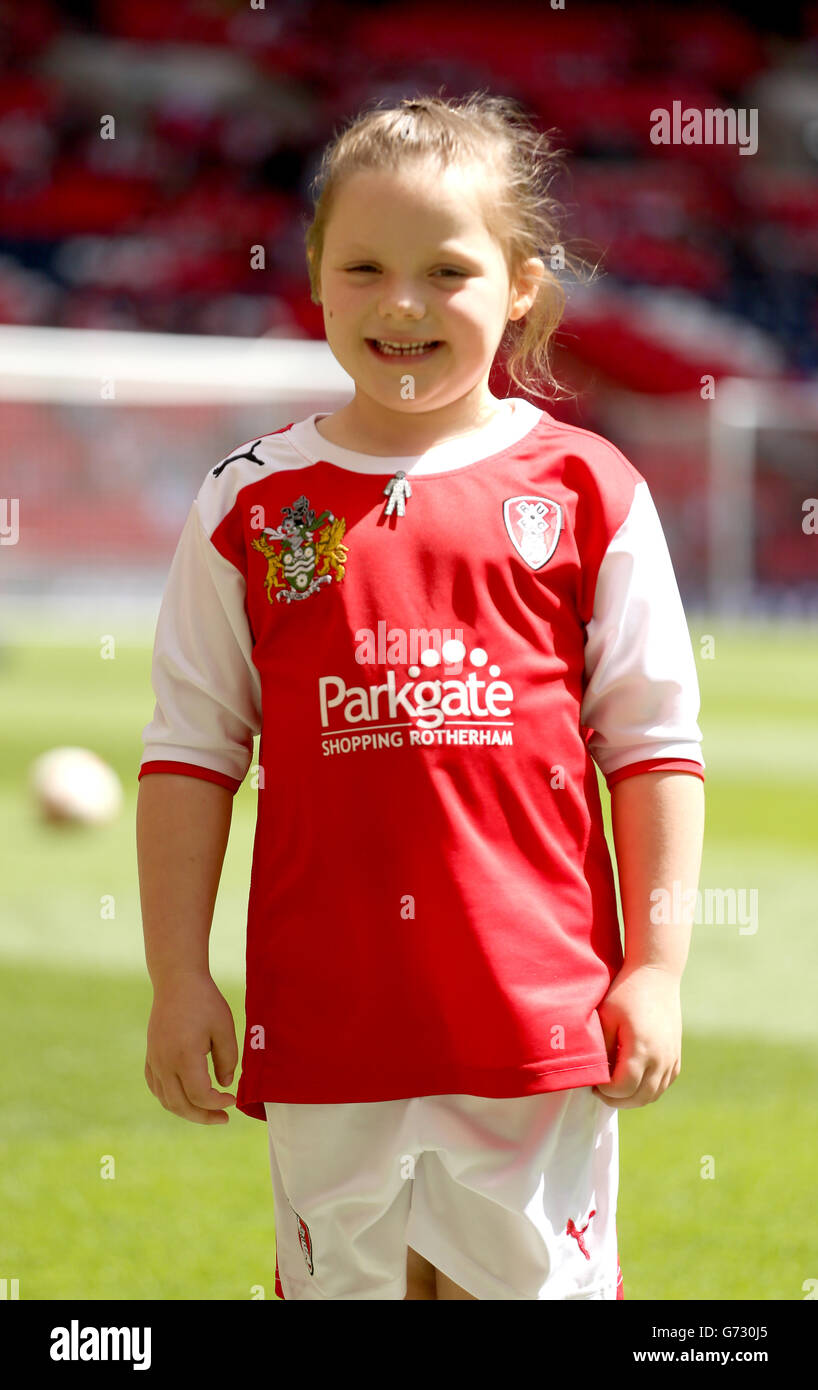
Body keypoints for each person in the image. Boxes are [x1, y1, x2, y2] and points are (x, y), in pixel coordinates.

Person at [136, 92, 705, 1301]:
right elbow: (191, 750)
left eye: (446, 269)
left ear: (517, 287)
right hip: (328, 1025)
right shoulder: (251, 500)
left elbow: (652, 745)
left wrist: (652, 966)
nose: (401, 303)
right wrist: (177, 974)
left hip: (535, 1022)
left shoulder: (588, 486)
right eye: (364, 267)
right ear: (315, 281)